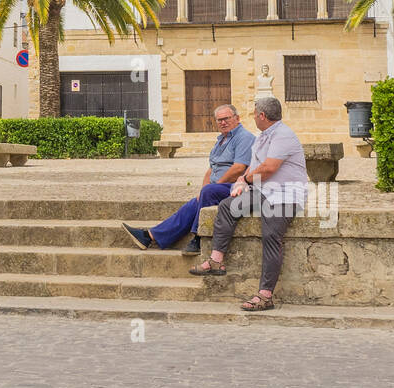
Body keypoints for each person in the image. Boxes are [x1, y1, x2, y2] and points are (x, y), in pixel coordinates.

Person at [189, 96, 308, 312]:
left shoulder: (283, 135)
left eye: (254, 113)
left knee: (271, 235)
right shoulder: (262, 137)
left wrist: (245, 179)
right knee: (227, 206)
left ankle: (265, 295)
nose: (253, 117)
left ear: (262, 115)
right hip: (263, 191)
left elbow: (269, 168)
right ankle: (217, 260)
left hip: (285, 195)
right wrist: (241, 184)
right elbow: (253, 168)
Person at [120, 104, 255, 255]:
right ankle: (149, 236)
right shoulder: (220, 141)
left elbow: (239, 168)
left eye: (226, 118)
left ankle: (198, 238)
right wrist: (202, 191)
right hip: (218, 187)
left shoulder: (244, 138)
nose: (223, 122)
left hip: (235, 187)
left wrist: (213, 186)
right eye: (219, 120)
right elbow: (211, 169)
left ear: (237, 118)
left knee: (208, 192)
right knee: (192, 204)